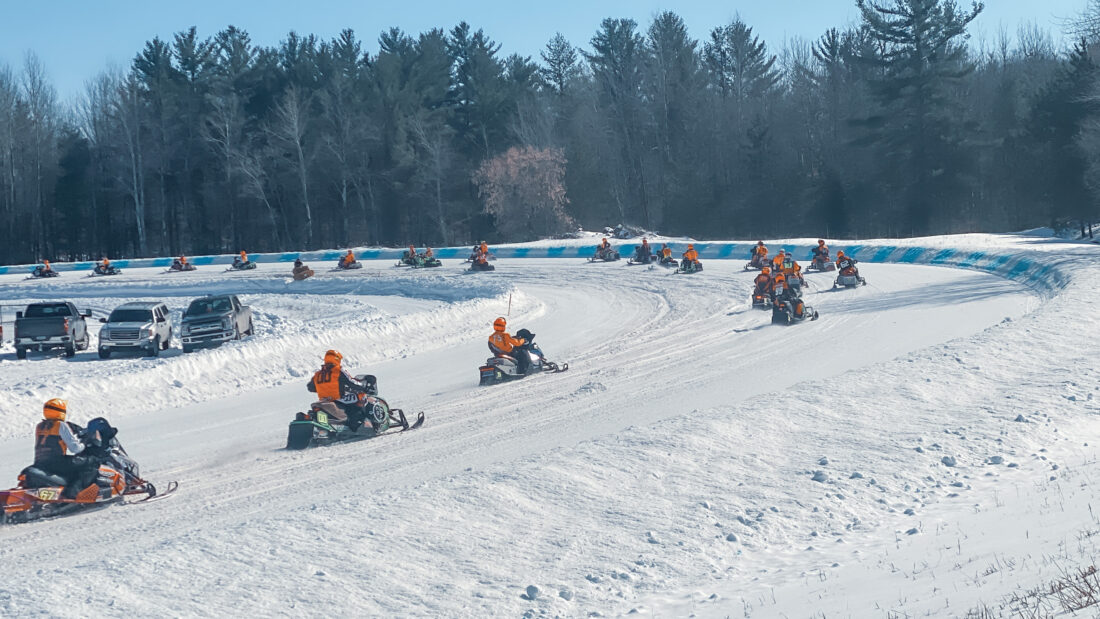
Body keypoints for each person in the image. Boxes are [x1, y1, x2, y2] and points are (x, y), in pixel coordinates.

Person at [33, 399, 102, 499]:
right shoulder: (61, 425)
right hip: (56, 462)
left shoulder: (40, 426)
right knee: (91, 463)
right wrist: (84, 443)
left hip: (40, 462)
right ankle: (74, 493)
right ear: (61, 412)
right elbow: (75, 449)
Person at [306, 350, 377, 430]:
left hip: (325, 401)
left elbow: (310, 387)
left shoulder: (318, 374)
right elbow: (352, 382)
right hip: (339, 399)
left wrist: (324, 387)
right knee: (357, 403)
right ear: (336, 359)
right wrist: (364, 388)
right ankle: (358, 425)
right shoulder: (338, 371)